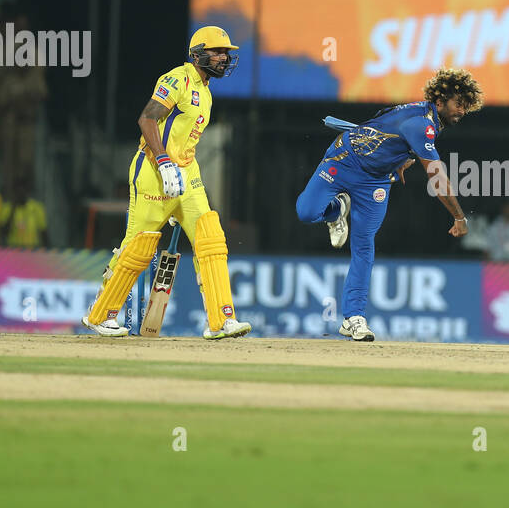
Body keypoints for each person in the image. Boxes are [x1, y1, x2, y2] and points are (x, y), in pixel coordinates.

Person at [81, 27, 251, 339]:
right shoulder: (178, 79)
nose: (224, 57)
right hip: (153, 169)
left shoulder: (207, 90)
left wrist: (179, 169)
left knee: (210, 237)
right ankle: (101, 315)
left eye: (226, 52)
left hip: (188, 170)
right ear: (197, 53)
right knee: (139, 246)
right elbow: (146, 118)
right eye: (216, 51)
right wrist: (163, 161)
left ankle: (221, 320)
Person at [295, 68, 484, 341]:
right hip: (344, 159)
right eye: (459, 104)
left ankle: (353, 318)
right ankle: (337, 211)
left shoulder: (425, 115)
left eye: (467, 105)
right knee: (306, 212)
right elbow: (437, 177)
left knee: (363, 245)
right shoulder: (423, 123)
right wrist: (459, 218)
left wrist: (400, 158)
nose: (463, 110)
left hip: (374, 182)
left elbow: (385, 124)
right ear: (440, 101)